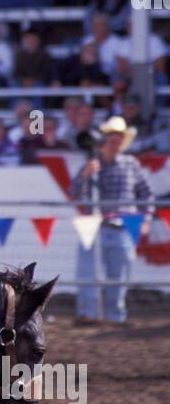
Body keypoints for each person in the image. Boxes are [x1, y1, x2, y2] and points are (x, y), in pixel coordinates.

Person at [69, 116, 155, 325]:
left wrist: (145, 221)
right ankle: (88, 315)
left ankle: (115, 317)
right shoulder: (91, 164)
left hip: (123, 226)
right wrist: (85, 175)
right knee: (88, 274)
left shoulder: (130, 164)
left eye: (118, 138)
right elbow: (74, 193)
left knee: (119, 276)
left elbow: (147, 195)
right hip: (93, 226)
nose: (114, 142)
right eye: (111, 138)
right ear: (104, 140)